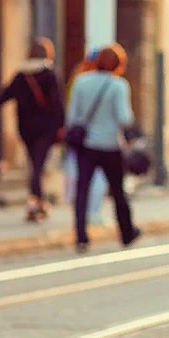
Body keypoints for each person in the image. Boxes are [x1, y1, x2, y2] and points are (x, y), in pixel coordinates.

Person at [0, 38, 65, 222]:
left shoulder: (21, 76)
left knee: (35, 165)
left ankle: (37, 202)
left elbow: (1, 98)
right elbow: (58, 104)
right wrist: (61, 127)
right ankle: (35, 203)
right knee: (37, 166)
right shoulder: (50, 75)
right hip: (46, 129)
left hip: (26, 128)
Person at [66, 44, 141, 253]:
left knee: (82, 191)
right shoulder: (118, 86)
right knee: (118, 192)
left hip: (86, 145)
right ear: (119, 64)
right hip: (110, 146)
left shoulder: (81, 82)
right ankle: (126, 233)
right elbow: (125, 118)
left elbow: (72, 116)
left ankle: (81, 236)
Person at [64, 49, 109, 227]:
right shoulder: (110, 83)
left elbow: (71, 113)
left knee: (80, 179)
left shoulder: (78, 81)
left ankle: (81, 220)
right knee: (98, 178)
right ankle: (93, 213)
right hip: (101, 140)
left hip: (79, 138)